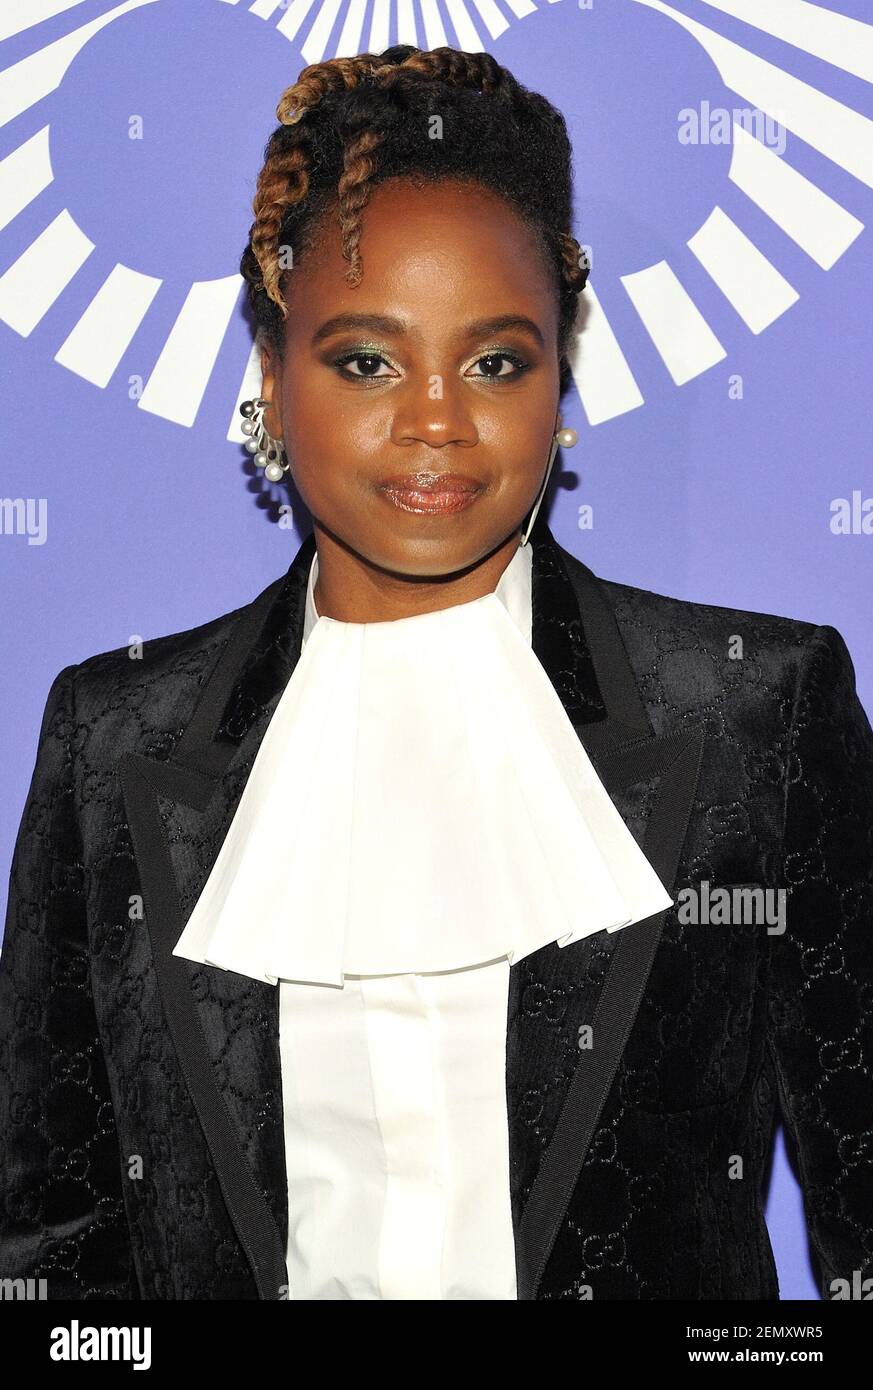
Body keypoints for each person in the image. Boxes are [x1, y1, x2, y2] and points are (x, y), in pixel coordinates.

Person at [1, 44, 871, 1302]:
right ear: (271, 380)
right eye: (365, 360)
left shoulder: (753, 713)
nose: (434, 419)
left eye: (495, 360)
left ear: (559, 376)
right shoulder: (112, 740)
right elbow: (54, 1252)